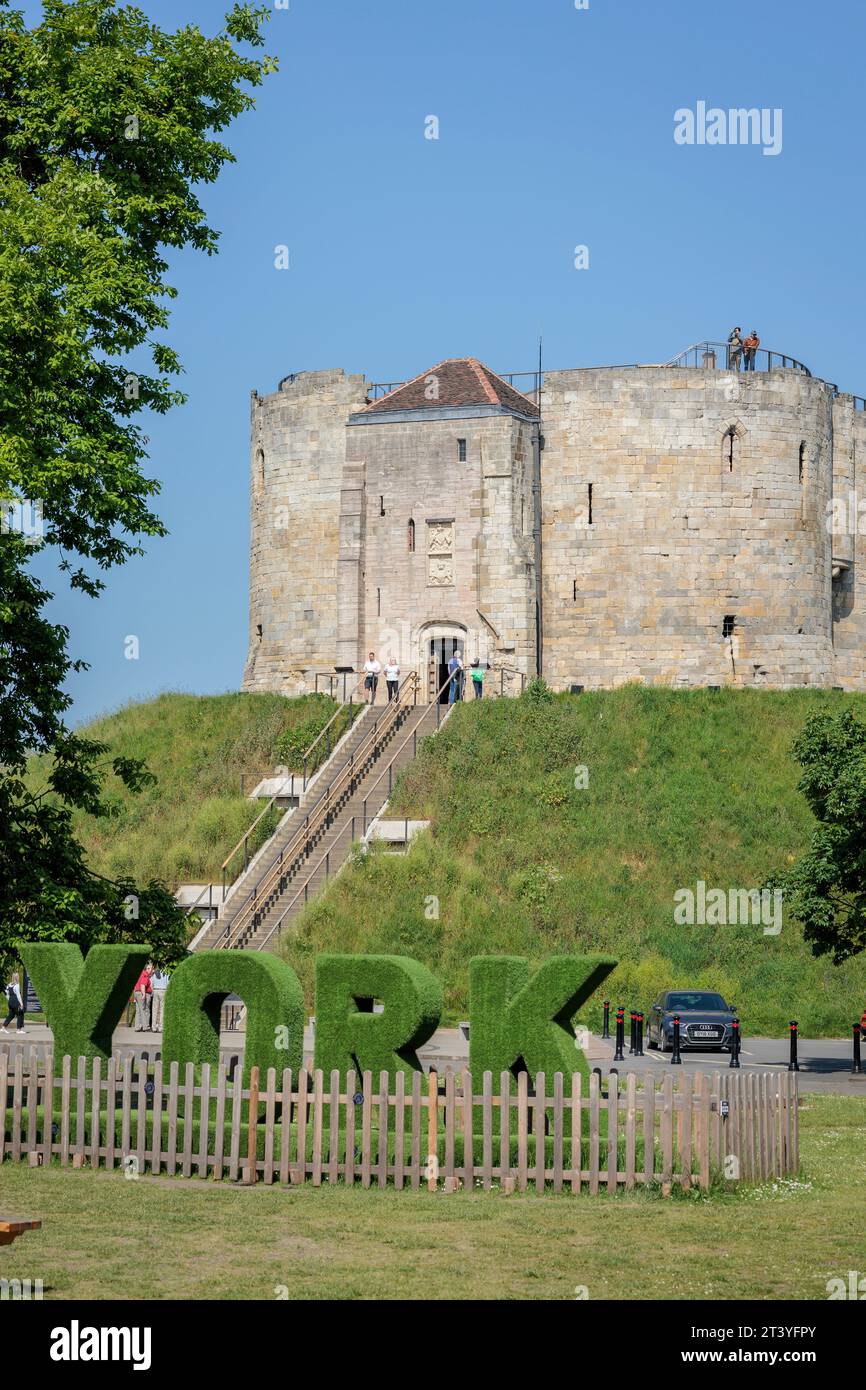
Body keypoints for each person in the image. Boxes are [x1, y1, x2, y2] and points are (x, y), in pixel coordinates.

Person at [133, 963, 153, 1032]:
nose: (151, 970)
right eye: (149, 968)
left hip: (136, 992)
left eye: (151, 968)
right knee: (144, 1010)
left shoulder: (140, 974)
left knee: (138, 1010)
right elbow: (142, 985)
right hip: (141, 993)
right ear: (146, 969)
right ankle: (145, 1027)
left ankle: (137, 1027)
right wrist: (144, 994)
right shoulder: (145, 975)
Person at [150, 967, 170, 1033]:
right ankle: (160, 1027)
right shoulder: (166, 972)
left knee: (154, 1009)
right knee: (162, 1010)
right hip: (163, 991)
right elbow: (168, 984)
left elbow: (151, 983)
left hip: (156, 990)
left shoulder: (155, 973)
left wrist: (152, 991)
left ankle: (153, 1027)